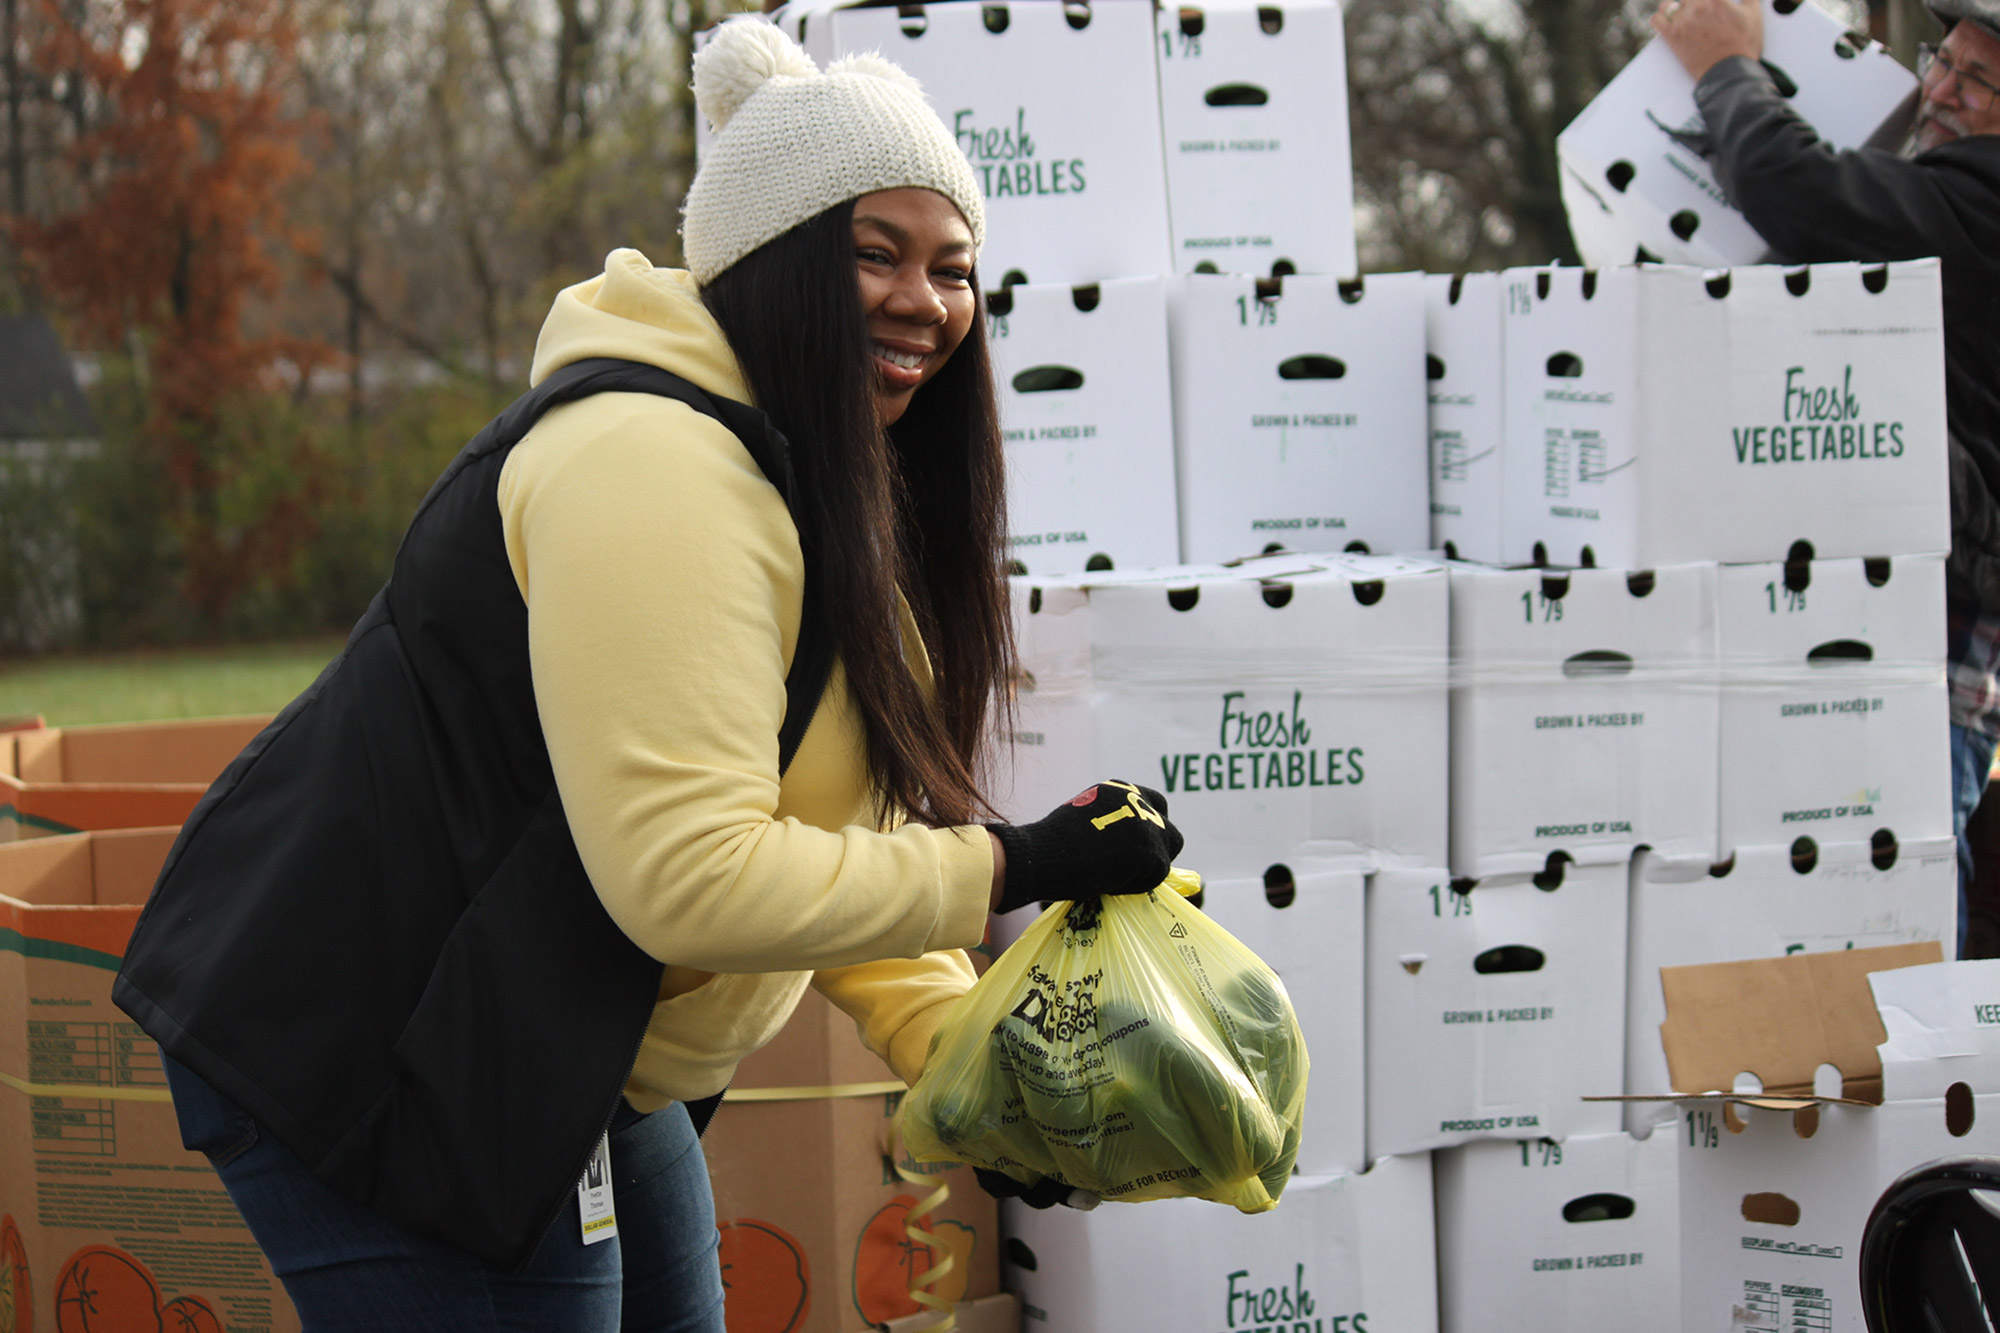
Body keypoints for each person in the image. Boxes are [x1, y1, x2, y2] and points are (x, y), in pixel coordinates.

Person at [110, 20, 1182, 1330]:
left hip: (568, 1036)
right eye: (873, 252)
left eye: (954, 267)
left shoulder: (825, 479)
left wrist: (979, 1080)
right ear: (772, 262)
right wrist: (1017, 863)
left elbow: (843, 823)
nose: (928, 301)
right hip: (375, 1028)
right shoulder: (654, 468)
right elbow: (691, 875)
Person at [1655, 0, 2000, 954]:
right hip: (1926, 593)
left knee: (1907, 853)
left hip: (1938, 604)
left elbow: (1792, 186)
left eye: (1975, 81)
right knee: (1882, 848)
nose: (1939, 90)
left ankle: (1934, 1081)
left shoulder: (1983, 202)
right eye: (1943, 62)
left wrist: (1727, 68)